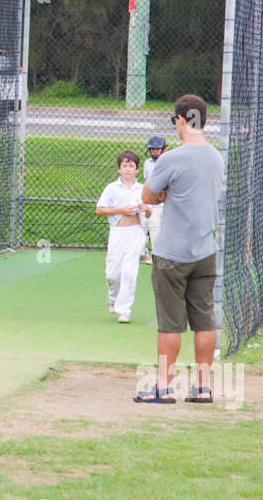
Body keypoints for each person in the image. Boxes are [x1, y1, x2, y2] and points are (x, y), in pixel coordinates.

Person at [137, 94, 225, 405]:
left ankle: (163, 386)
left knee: (170, 323)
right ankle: (202, 387)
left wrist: (162, 194)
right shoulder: (216, 156)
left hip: (173, 253)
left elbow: (147, 196)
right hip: (205, 251)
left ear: (179, 120)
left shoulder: (171, 158)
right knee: (205, 320)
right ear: (204, 120)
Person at [96, 149, 153, 323]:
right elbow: (99, 210)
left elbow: (149, 213)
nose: (128, 169)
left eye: (132, 166)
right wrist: (120, 210)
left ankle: (124, 310)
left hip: (135, 233)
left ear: (137, 169)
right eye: (125, 166)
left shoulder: (142, 189)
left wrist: (147, 209)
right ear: (119, 169)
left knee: (129, 273)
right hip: (117, 233)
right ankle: (113, 298)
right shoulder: (112, 188)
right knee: (112, 275)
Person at [141, 135, 169, 263]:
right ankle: (142, 252)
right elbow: (146, 181)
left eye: (157, 149)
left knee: (155, 226)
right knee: (144, 224)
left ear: (163, 149)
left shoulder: (167, 162)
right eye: (152, 149)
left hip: (161, 201)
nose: (155, 152)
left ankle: (156, 254)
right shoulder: (147, 163)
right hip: (149, 199)